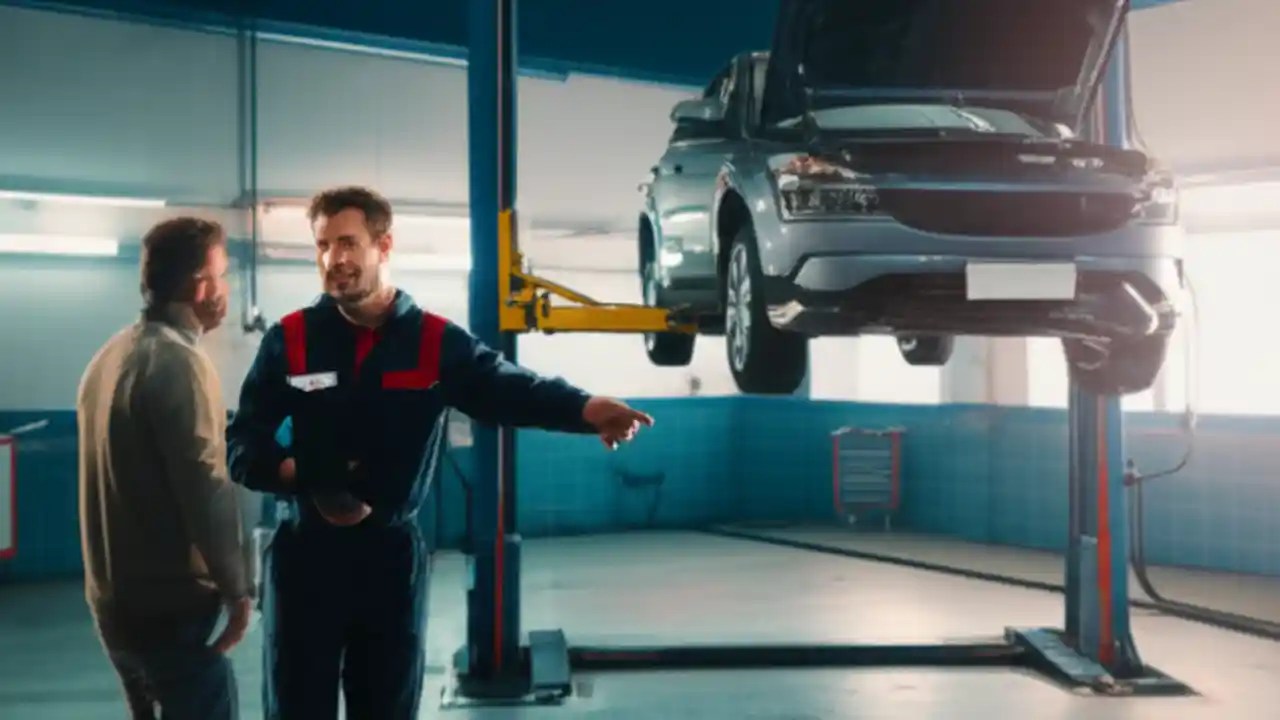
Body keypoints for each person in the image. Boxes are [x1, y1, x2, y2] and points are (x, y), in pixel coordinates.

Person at [226, 185, 653, 719]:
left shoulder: (431, 342)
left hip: (387, 562)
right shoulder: (291, 339)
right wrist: (307, 473)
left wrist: (586, 409)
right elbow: (243, 444)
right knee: (296, 708)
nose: (334, 259)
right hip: (306, 559)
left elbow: (509, 387)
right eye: (323, 245)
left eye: (348, 242)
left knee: (387, 707)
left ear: (384, 245)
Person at [77, 216, 253, 720]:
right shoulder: (179, 362)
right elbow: (206, 488)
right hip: (172, 609)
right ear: (201, 287)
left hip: (114, 605)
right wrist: (237, 590)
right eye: (222, 275)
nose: (225, 289)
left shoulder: (108, 359)